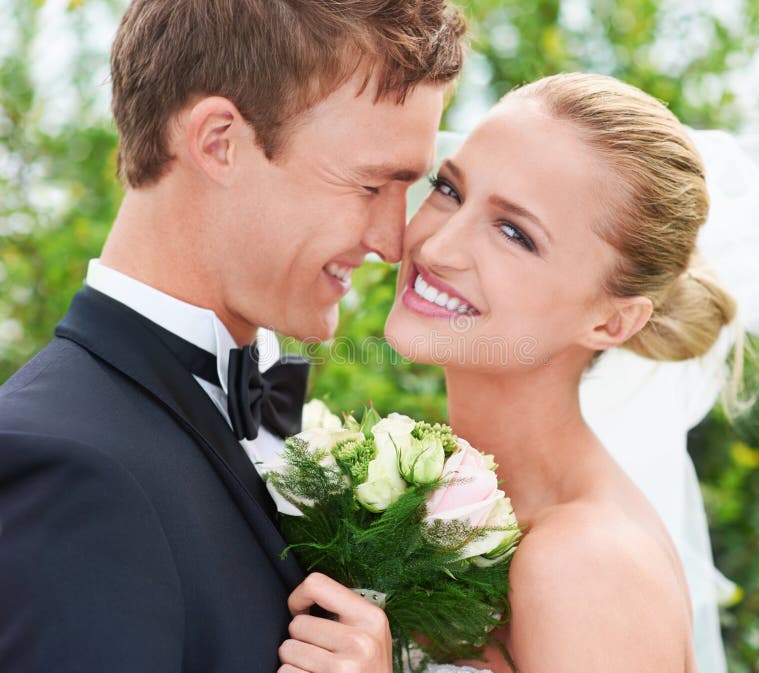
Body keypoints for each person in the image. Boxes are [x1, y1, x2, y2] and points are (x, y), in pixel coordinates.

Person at [0, 1, 466, 672]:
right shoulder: (63, 464)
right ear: (219, 141)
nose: (394, 243)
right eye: (370, 184)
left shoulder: (272, 399)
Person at [384, 72, 741, 672]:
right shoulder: (437, 492)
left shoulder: (586, 563)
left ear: (611, 322)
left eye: (514, 233)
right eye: (449, 189)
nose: (438, 246)